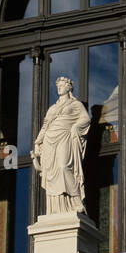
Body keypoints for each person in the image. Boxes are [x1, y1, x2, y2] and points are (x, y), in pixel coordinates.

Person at [33, 76, 91, 214]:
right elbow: (45, 126)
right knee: (52, 173)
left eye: (62, 85)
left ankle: (76, 200)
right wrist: (37, 142)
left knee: (64, 167)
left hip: (65, 136)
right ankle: (57, 209)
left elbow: (86, 119)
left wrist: (76, 127)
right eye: (58, 85)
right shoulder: (52, 108)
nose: (59, 87)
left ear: (69, 87)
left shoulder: (75, 104)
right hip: (49, 140)